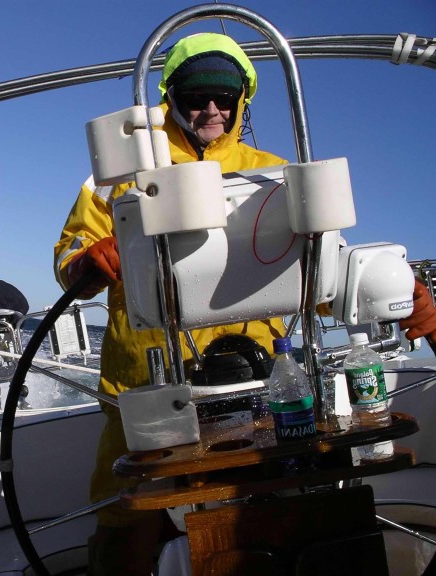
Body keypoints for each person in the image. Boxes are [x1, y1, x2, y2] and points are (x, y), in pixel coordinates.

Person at [54, 32, 436, 576]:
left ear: (241, 102)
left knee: (269, 531)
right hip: (143, 396)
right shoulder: (115, 179)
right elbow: (68, 254)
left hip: (259, 394)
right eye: (196, 95)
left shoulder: (273, 172)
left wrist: (398, 295)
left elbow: (323, 274)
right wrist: (86, 264)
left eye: (224, 97)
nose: (211, 108)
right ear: (170, 97)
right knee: (127, 534)